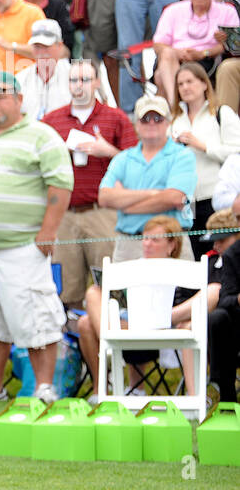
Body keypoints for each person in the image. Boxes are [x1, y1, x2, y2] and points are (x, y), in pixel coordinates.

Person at [0, 71, 73, 404]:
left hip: (22, 246)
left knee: (35, 316)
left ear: (19, 99)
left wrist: (48, 231)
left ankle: (44, 387)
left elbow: (60, 184)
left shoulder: (42, 136)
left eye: (1, 95)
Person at [41, 60, 138, 306]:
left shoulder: (115, 118)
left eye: (85, 80)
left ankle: (108, 340)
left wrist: (109, 151)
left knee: (109, 285)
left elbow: (138, 167)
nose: (79, 86)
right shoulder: (52, 121)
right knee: (65, 289)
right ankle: (69, 341)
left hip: (102, 213)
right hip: (64, 215)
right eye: (74, 80)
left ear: (96, 82)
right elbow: (36, 164)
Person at [76, 216, 206, 399]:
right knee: (89, 305)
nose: (147, 244)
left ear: (172, 245)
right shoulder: (131, 266)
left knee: (88, 321)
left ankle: (110, 345)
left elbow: (182, 309)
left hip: (161, 324)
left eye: (155, 240)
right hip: (126, 320)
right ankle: (101, 387)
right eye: (145, 238)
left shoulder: (183, 271)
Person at [99, 94, 197, 262]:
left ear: (168, 122)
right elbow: (104, 197)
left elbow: (175, 197)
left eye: (158, 118)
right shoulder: (122, 159)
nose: (152, 123)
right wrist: (154, 194)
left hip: (171, 245)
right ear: (136, 124)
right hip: (129, 243)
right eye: (145, 118)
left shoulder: (183, 155)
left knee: (182, 289)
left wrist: (127, 205)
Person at [167, 62, 240, 256]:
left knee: (221, 255)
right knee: (194, 258)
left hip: (214, 198)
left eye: (190, 81)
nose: (185, 87)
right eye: (180, 84)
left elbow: (237, 151)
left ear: (204, 84)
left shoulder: (221, 113)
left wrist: (203, 146)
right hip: (185, 202)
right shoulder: (174, 119)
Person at [152, 0, 238, 105]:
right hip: (174, 59)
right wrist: (179, 53)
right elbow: (158, 45)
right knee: (166, 55)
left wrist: (203, 53)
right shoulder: (173, 10)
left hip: (207, 60)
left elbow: (232, 45)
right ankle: (175, 104)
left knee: (160, 77)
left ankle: (176, 110)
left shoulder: (227, 11)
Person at [208, 208, 240, 403]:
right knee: (218, 318)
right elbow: (225, 299)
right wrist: (238, 299)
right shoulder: (232, 255)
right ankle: (227, 397)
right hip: (238, 323)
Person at [16, 19, 74, 120]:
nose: (42, 52)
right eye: (37, 46)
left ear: (59, 46)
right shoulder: (20, 79)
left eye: (46, 46)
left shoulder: (74, 77)